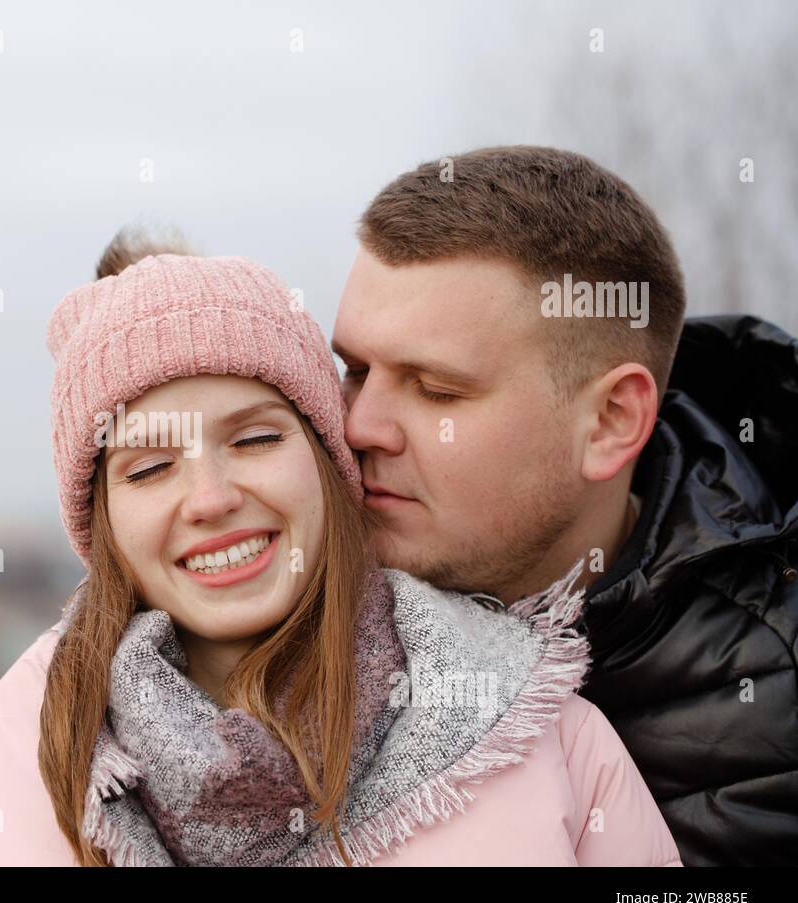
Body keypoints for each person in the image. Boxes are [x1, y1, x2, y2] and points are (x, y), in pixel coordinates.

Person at [0, 232, 680, 866]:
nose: (211, 498)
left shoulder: (533, 724)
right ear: (104, 523)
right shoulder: (20, 748)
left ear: (329, 460)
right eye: (150, 468)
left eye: (256, 439)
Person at [332, 144, 798, 866]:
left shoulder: (774, 721)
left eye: (436, 390)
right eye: (356, 370)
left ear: (611, 421)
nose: (360, 426)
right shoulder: (256, 617)